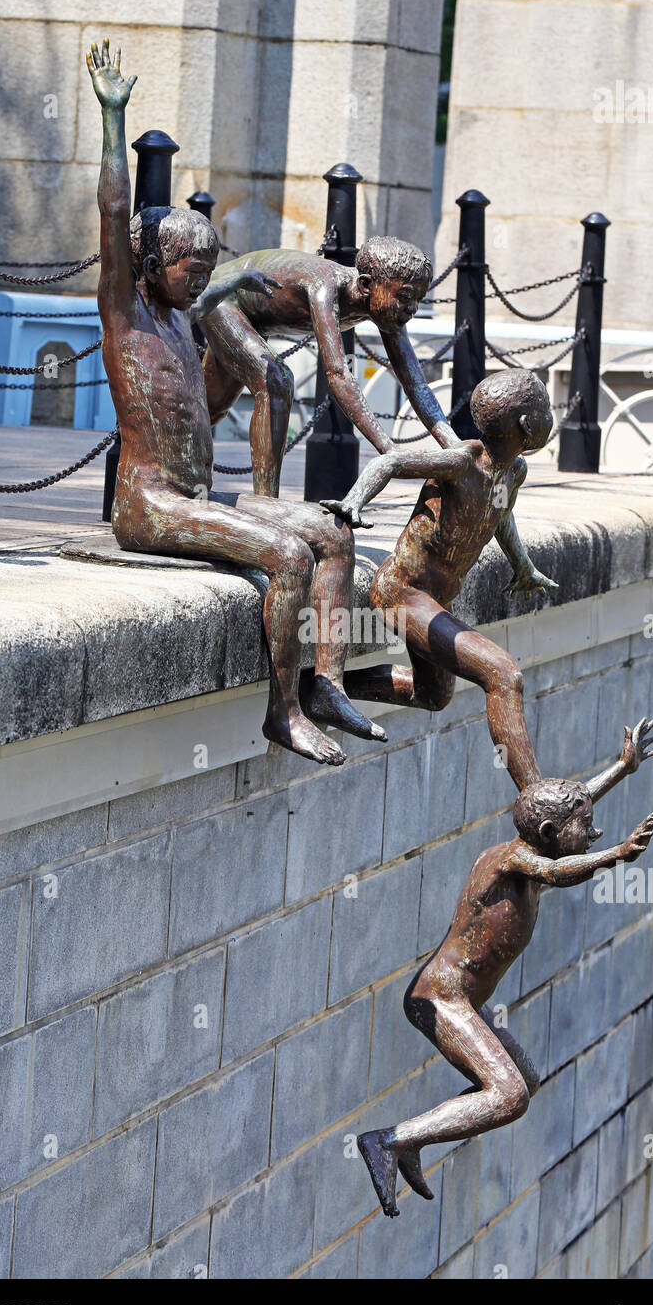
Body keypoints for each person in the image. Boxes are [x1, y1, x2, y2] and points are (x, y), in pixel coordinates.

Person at [86, 38, 385, 765]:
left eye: (208, 272)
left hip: (196, 495)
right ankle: (281, 711)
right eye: (192, 271)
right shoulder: (126, 312)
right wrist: (112, 122)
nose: (201, 285)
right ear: (153, 266)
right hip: (150, 505)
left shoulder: (186, 323)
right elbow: (114, 207)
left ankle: (325, 683)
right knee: (286, 555)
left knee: (329, 532)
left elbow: (240, 384)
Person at [357, 718, 653, 1217]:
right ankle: (388, 1140)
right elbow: (560, 870)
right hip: (438, 998)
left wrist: (622, 770)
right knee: (509, 1095)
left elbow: (574, 804)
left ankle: (413, 1140)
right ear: (547, 834)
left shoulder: (540, 841)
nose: (592, 831)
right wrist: (616, 854)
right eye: (583, 830)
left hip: (463, 1001)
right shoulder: (514, 861)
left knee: (526, 1079)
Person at [324, 368, 558, 790]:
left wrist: (522, 565)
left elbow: (499, 513)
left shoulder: (512, 471)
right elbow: (392, 460)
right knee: (502, 673)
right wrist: (353, 503)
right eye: (545, 409)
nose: (550, 417)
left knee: (435, 695)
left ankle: (323, 690)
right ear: (527, 425)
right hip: (402, 593)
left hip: (436, 601)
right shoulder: (461, 462)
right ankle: (536, 795)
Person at [192, 235, 467, 495]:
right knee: (276, 381)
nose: (413, 308)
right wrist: (387, 447)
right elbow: (337, 374)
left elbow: (416, 383)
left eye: (419, 298)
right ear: (366, 285)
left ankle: (178, 471)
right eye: (406, 297)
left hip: (256, 317)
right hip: (226, 297)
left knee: (207, 408)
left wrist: (453, 444)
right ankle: (266, 502)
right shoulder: (326, 287)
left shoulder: (387, 310)